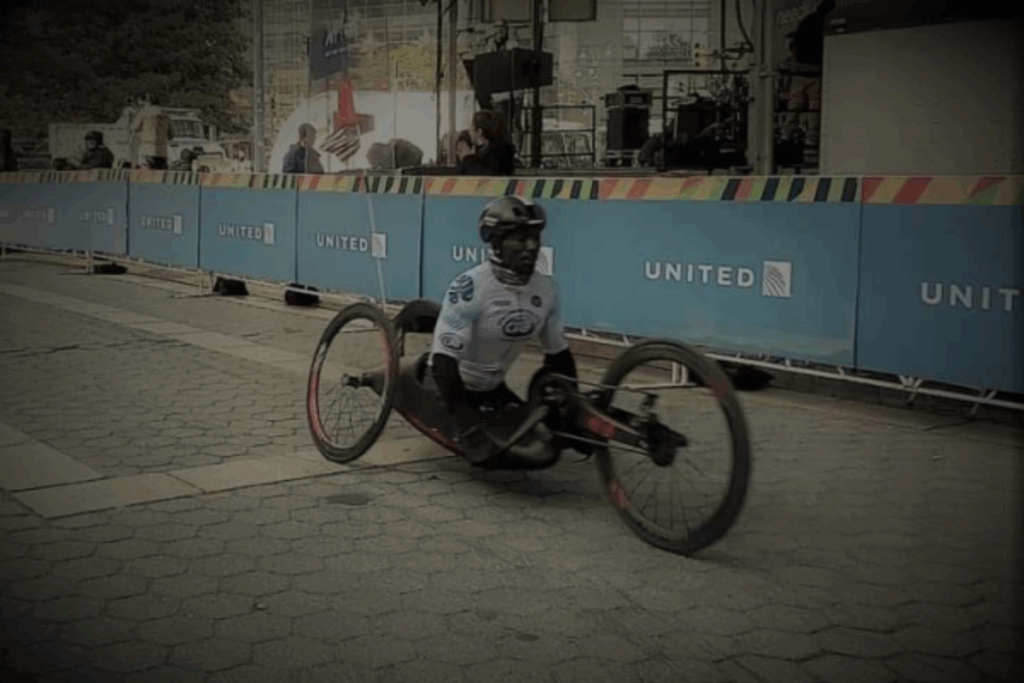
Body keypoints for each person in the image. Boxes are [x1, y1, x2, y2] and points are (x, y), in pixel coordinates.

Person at [426, 196, 587, 469]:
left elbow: (558, 357)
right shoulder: (469, 287)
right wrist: (465, 420)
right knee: (505, 456)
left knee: (547, 448)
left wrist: (572, 410)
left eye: (536, 237)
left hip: (493, 389)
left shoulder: (546, 289)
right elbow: (443, 361)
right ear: (497, 243)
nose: (532, 246)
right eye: (521, 239)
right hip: (448, 386)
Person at [457, 110, 515, 176]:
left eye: (471, 126)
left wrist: (467, 157)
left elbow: (483, 174)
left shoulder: (495, 153)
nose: (469, 131)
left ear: (479, 131)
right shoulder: (499, 149)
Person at [130, 94, 172, 169]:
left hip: (147, 149)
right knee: (160, 176)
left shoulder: (144, 113)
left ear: (148, 103)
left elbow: (134, 127)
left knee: (145, 176)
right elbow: (171, 136)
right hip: (163, 151)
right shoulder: (166, 115)